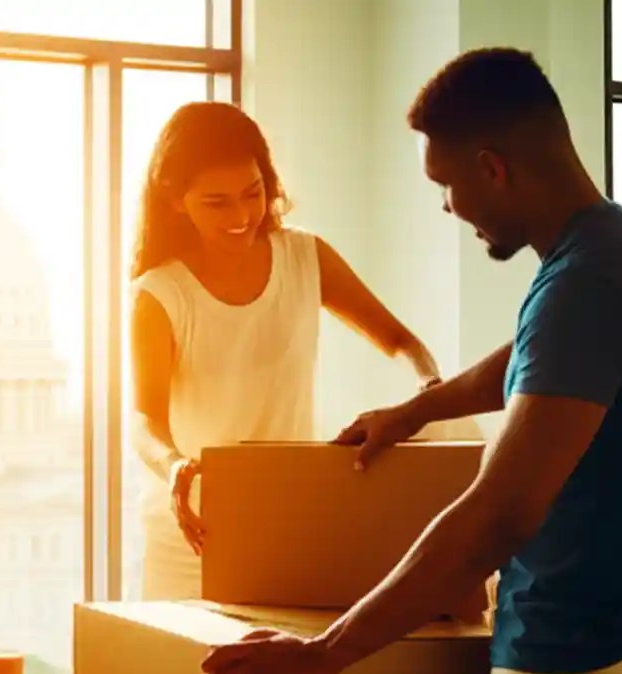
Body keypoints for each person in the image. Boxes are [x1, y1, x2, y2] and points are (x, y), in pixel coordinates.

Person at [200, 47, 622, 674]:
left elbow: (497, 514)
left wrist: (320, 654)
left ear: (492, 169)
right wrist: (417, 409)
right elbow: (532, 362)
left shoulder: (587, 284)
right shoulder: (619, 252)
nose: (446, 207)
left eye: (444, 184)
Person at [129, 101, 444, 601]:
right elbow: (145, 418)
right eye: (217, 202)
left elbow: (401, 341)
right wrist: (175, 469)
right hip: (194, 535)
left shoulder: (305, 257)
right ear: (175, 200)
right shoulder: (160, 293)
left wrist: (429, 392)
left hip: (289, 521)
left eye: (252, 193)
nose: (241, 216)